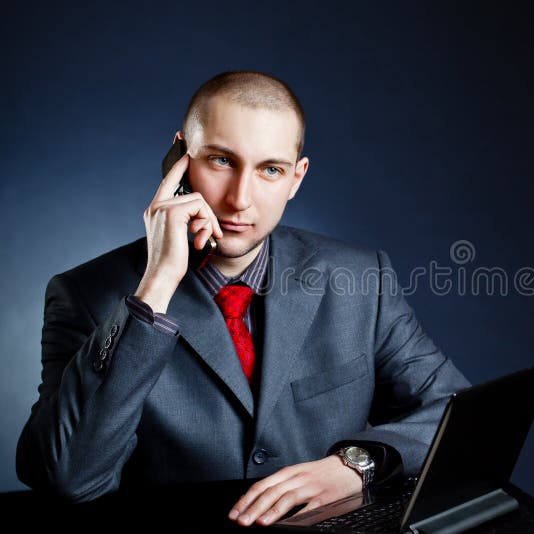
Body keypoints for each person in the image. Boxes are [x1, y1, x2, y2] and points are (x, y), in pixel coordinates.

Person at [16, 71, 469, 527]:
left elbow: (458, 413)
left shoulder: (360, 278)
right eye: (221, 161)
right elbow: (70, 478)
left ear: (296, 178)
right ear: (179, 158)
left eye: (270, 170)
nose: (239, 200)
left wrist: (355, 465)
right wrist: (156, 287)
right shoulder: (84, 296)